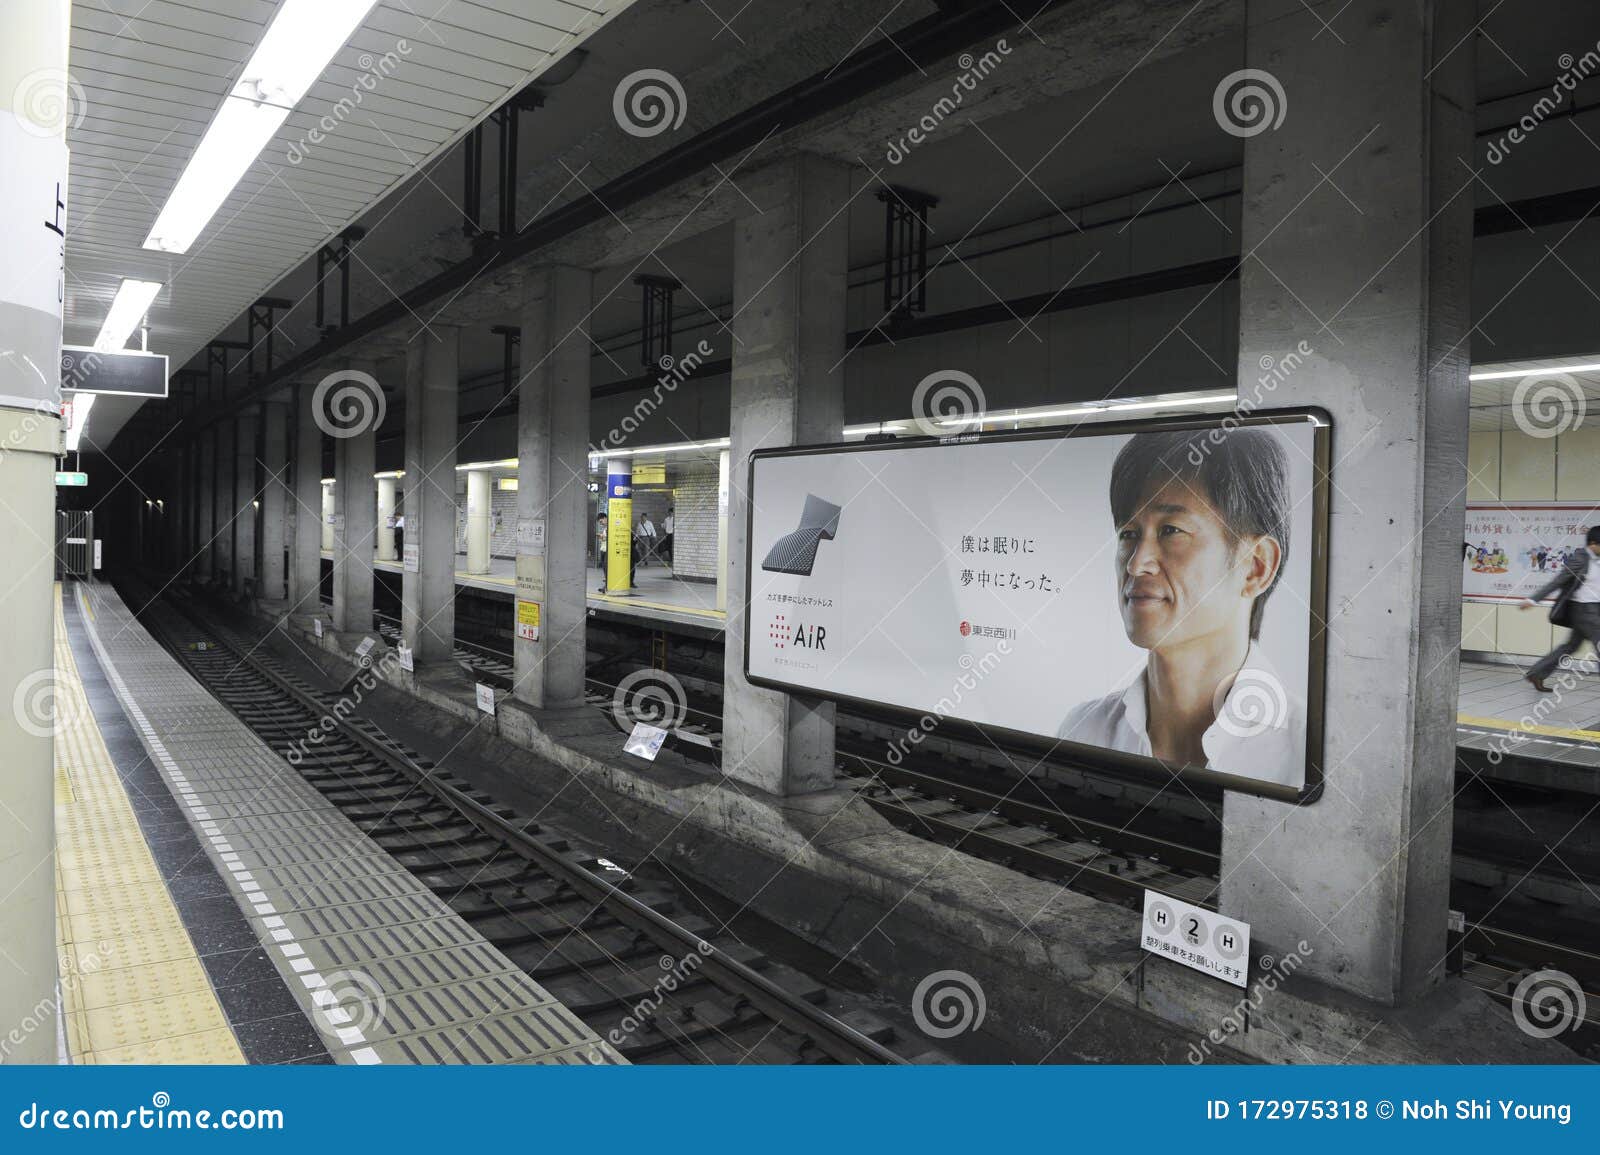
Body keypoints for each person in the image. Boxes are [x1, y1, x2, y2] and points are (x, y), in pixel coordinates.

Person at [1057, 427, 1304, 786]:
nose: (1136, 564)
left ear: (1255, 566)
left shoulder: (1308, 756)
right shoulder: (1083, 730)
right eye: (1129, 533)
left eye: (1171, 530)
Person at [1519, 526, 1600, 691]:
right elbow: (1558, 581)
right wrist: (1533, 599)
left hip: (1594, 610)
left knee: (1570, 646)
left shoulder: (1597, 558)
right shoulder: (1580, 558)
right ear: (1593, 544)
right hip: (1584, 610)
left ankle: (1537, 672)